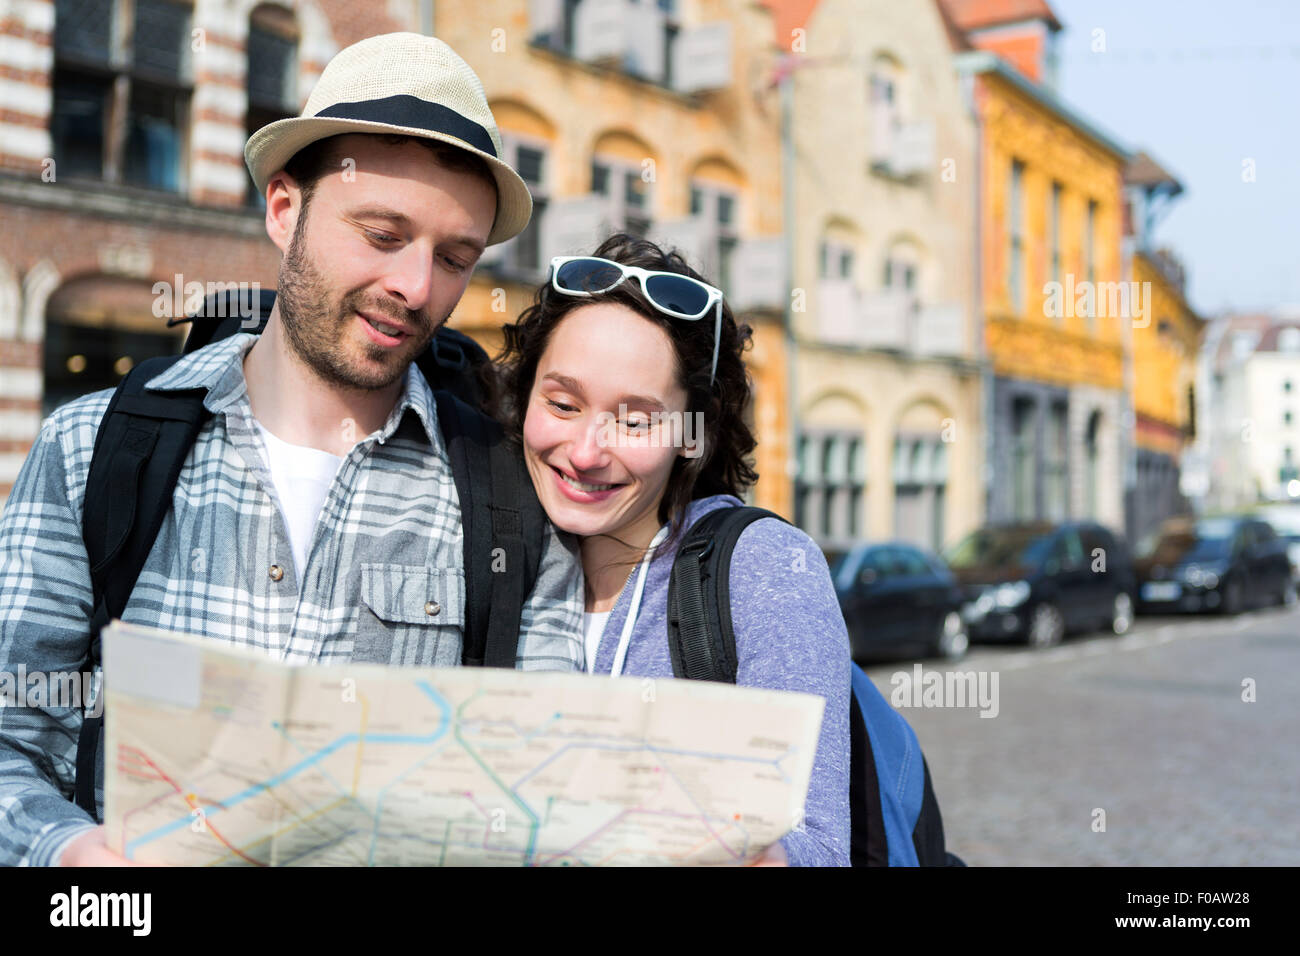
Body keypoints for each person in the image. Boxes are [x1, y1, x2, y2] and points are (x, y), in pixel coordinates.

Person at [0, 33, 584, 867]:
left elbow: (546, 798)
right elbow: (11, 739)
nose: (416, 288)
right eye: (383, 235)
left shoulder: (509, 501)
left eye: (454, 258)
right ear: (284, 209)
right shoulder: (91, 449)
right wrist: (69, 853)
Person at [494, 234, 852, 866]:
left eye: (635, 420)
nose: (584, 452)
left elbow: (819, 848)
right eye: (562, 404)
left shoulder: (762, 569)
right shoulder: (502, 550)